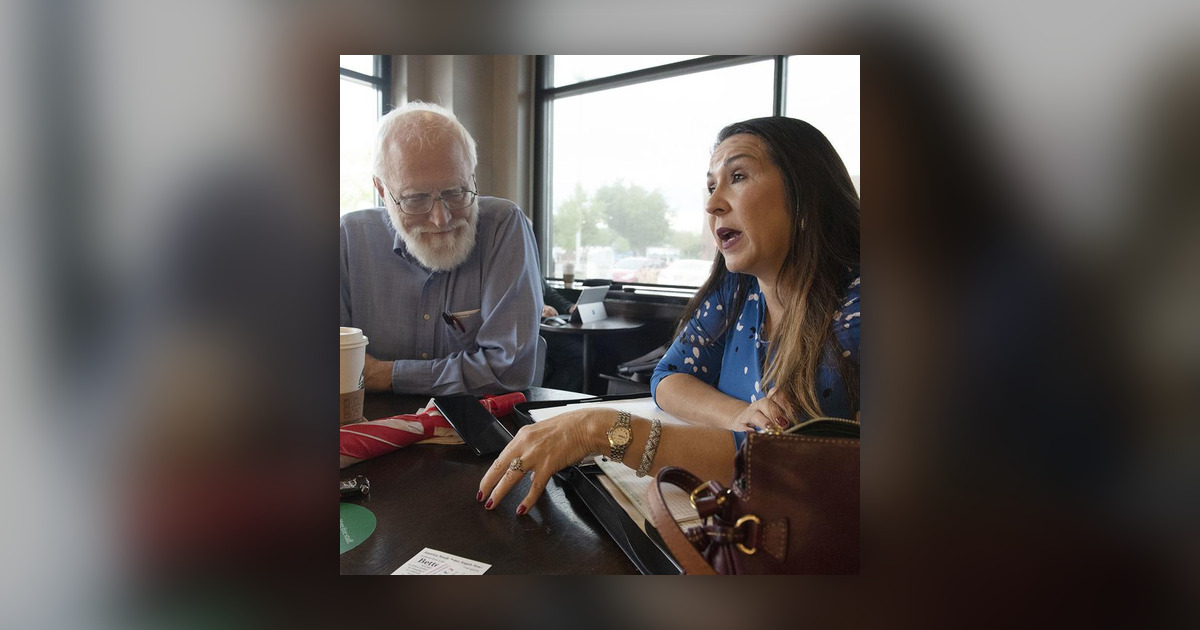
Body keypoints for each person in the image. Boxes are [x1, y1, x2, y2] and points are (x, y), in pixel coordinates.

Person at [477, 116, 859, 516]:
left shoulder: (859, 309)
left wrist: (601, 429)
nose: (712, 203)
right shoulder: (737, 291)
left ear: (804, 196)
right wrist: (737, 414)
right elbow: (669, 376)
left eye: (739, 176)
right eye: (711, 187)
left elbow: (779, 458)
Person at [340, 102, 541, 396]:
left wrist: (385, 374)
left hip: (484, 435)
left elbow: (509, 370)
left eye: (456, 192)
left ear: (472, 176)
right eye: (416, 199)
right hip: (371, 432)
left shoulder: (503, 226)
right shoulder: (348, 238)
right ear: (382, 191)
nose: (441, 218)